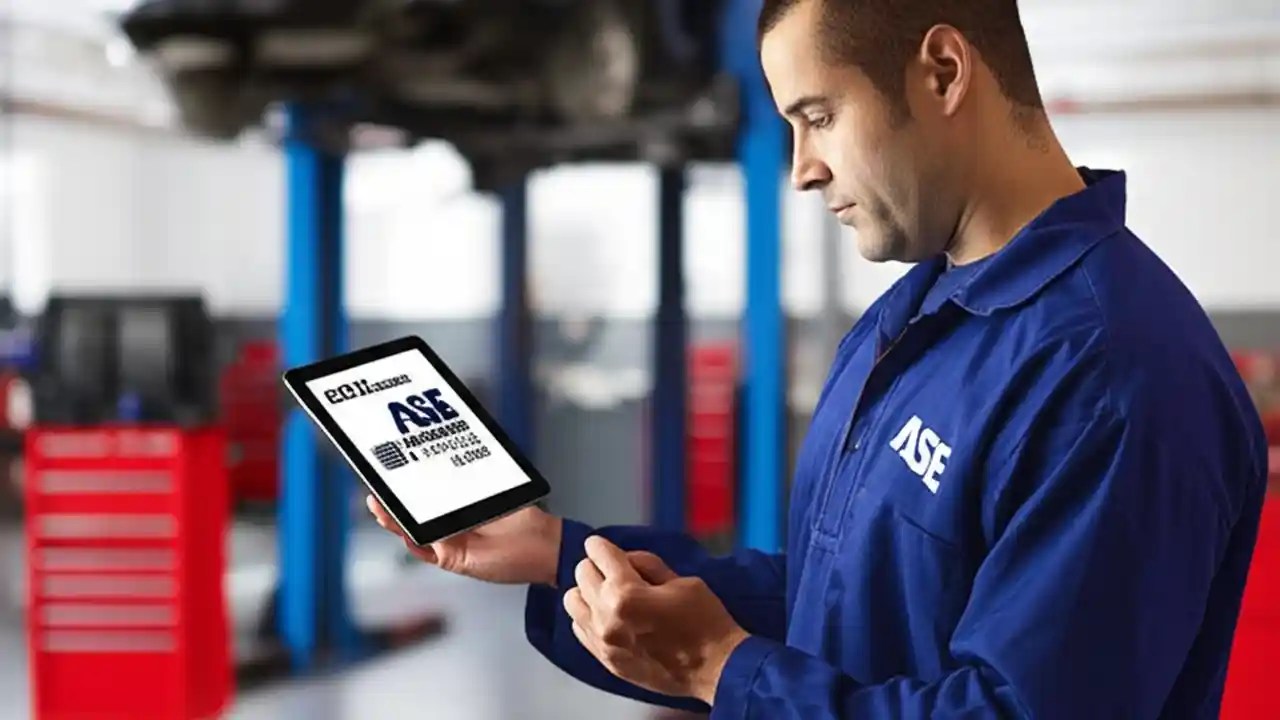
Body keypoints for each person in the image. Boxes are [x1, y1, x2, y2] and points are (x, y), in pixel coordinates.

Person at [367, 0, 1269, 716]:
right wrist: (561, 555)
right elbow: (831, 604)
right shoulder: (909, 318)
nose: (801, 168)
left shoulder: (1112, 376)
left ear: (943, 73)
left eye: (820, 116)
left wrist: (723, 673)